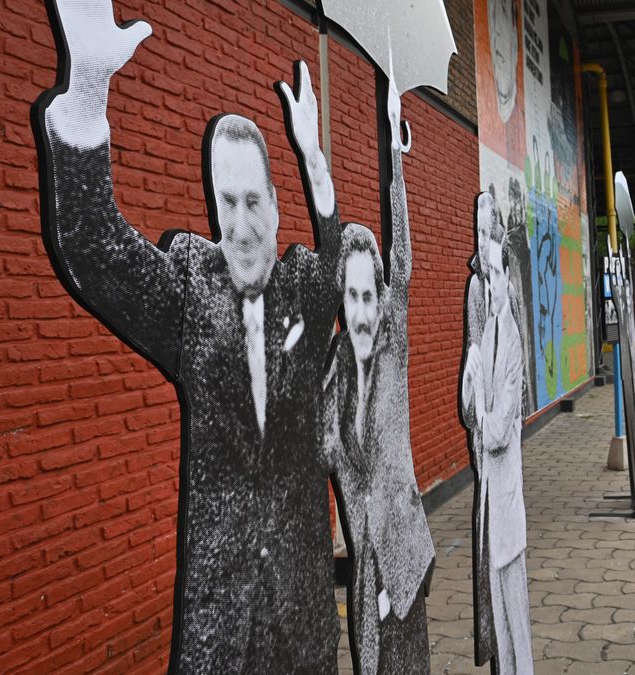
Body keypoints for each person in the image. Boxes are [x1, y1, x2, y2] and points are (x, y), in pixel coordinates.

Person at [32, 3, 343, 671]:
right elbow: (96, 247)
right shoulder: (192, 295)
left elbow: (342, 267)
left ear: (275, 203)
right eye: (225, 202)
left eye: (252, 199)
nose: (240, 222)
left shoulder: (302, 294)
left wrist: (314, 157)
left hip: (304, 615)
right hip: (221, 628)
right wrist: (89, 84)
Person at [322, 80, 435, 675]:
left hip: (405, 556)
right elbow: (318, 445)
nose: (362, 310)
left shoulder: (393, 344)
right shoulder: (335, 366)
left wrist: (394, 151)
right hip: (366, 570)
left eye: (370, 294)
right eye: (352, 295)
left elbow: (406, 259)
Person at [461, 193, 534, 675]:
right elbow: (471, 414)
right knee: (494, 610)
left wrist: (481, 418)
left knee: (513, 606)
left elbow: (504, 423)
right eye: (484, 277)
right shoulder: (483, 335)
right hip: (489, 492)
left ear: (508, 280)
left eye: (495, 275)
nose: (488, 286)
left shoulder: (509, 341)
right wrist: (471, 402)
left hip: (505, 493)